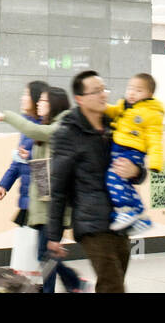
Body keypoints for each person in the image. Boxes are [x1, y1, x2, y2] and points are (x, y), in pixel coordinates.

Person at [46, 70, 147, 293]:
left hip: (120, 219)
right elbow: (59, 187)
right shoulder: (68, 133)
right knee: (113, 285)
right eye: (96, 91)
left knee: (113, 281)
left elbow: (139, 168)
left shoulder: (116, 125)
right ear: (80, 99)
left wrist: (136, 171)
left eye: (104, 89)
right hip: (91, 223)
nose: (103, 95)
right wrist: (54, 235)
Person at [0, 86, 89, 292]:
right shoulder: (48, 127)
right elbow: (43, 167)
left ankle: (69, 283)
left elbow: (36, 132)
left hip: (54, 206)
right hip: (43, 203)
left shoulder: (60, 126)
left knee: (46, 254)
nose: (38, 103)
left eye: (43, 101)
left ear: (54, 104)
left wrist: (7, 116)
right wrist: (25, 163)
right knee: (46, 254)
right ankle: (73, 282)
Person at [103, 73, 164, 235]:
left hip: (131, 151)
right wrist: (102, 106)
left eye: (138, 90)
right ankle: (139, 215)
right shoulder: (124, 106)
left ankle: (125, 210)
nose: (132, 93)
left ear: (149, 94)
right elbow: (112, 110)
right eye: (130, 88)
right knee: (124, 182)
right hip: (119, 149)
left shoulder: (151, 113)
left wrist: (156, 163)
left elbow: (155, 140)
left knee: (113, 176)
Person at [0, 82, 49, 227]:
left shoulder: (44, 127)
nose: (22, 98)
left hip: (40, 202)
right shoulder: (27, 123)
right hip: (26, 200)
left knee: (36, 246)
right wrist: (4, 185)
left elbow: (46, 164)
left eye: (26, 94)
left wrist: (29, 156)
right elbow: (18, 160)